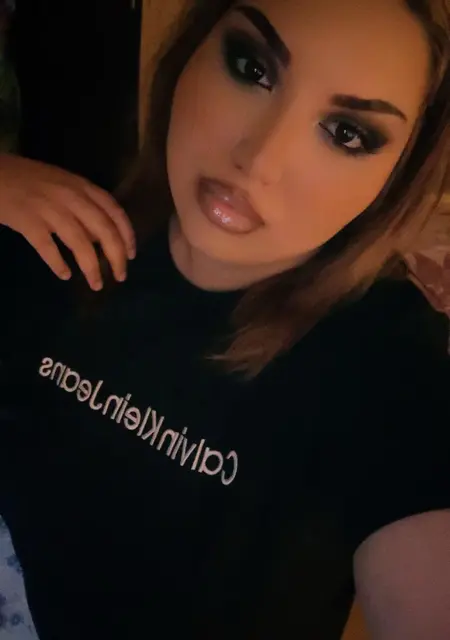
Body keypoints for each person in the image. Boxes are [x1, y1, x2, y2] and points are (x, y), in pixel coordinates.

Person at [0, 0, 449, 638]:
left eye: (346, 133)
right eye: (251, 68)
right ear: (192, 50)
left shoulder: (390, 366)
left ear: (395, 180)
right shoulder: (58, 215)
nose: (260, 158)